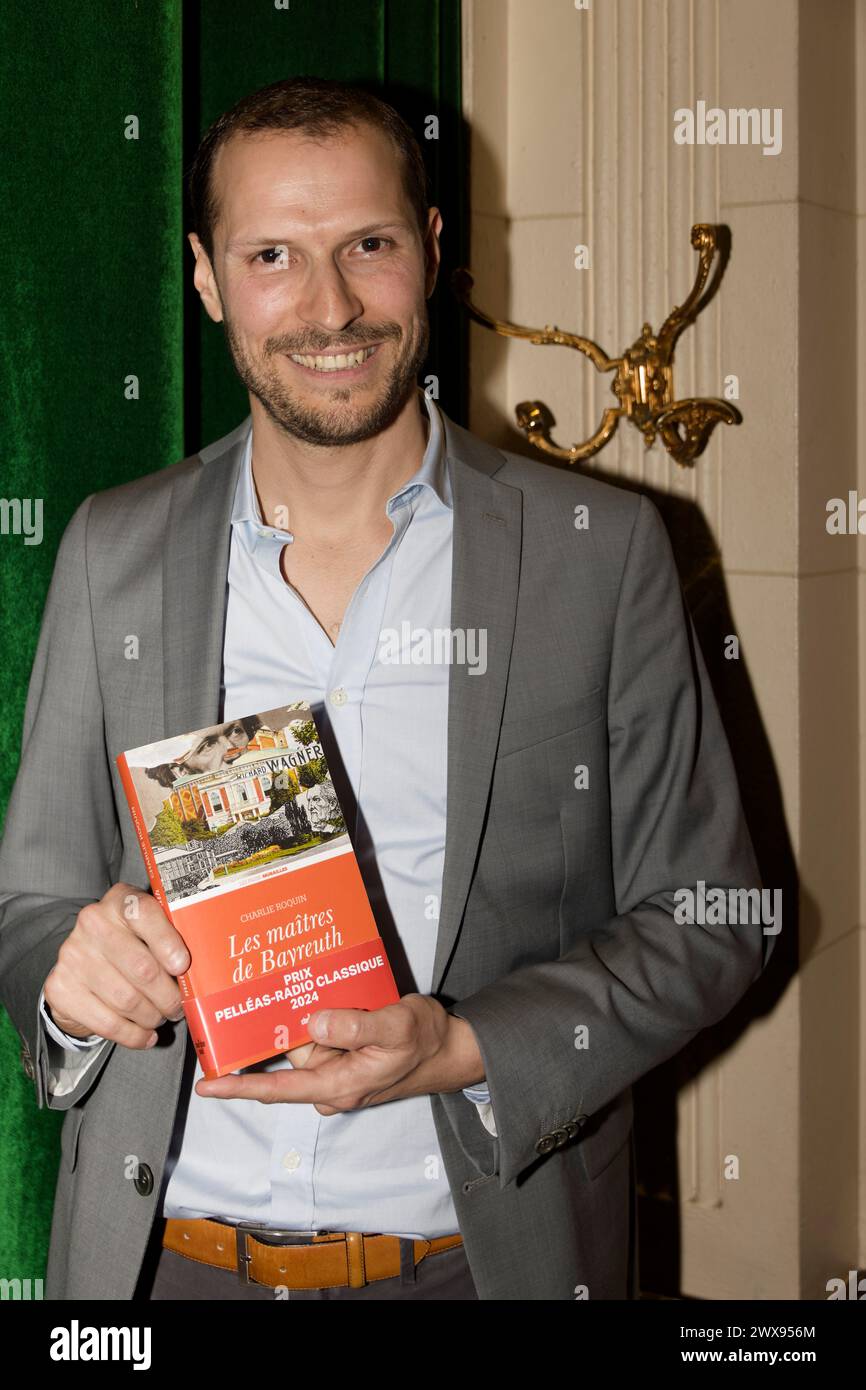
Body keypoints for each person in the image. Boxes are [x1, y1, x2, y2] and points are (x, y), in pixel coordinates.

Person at [0, 76, 774, 1301]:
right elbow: (30, 904)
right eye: (271, 255)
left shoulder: (597, 551)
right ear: (205, 278)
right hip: (164, 1269)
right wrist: (73, 974)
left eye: (366, 244)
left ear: (430, 247)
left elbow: (715, 916)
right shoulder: (112, 550)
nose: (329, 307)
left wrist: (464, 1044)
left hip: (485, 1262)